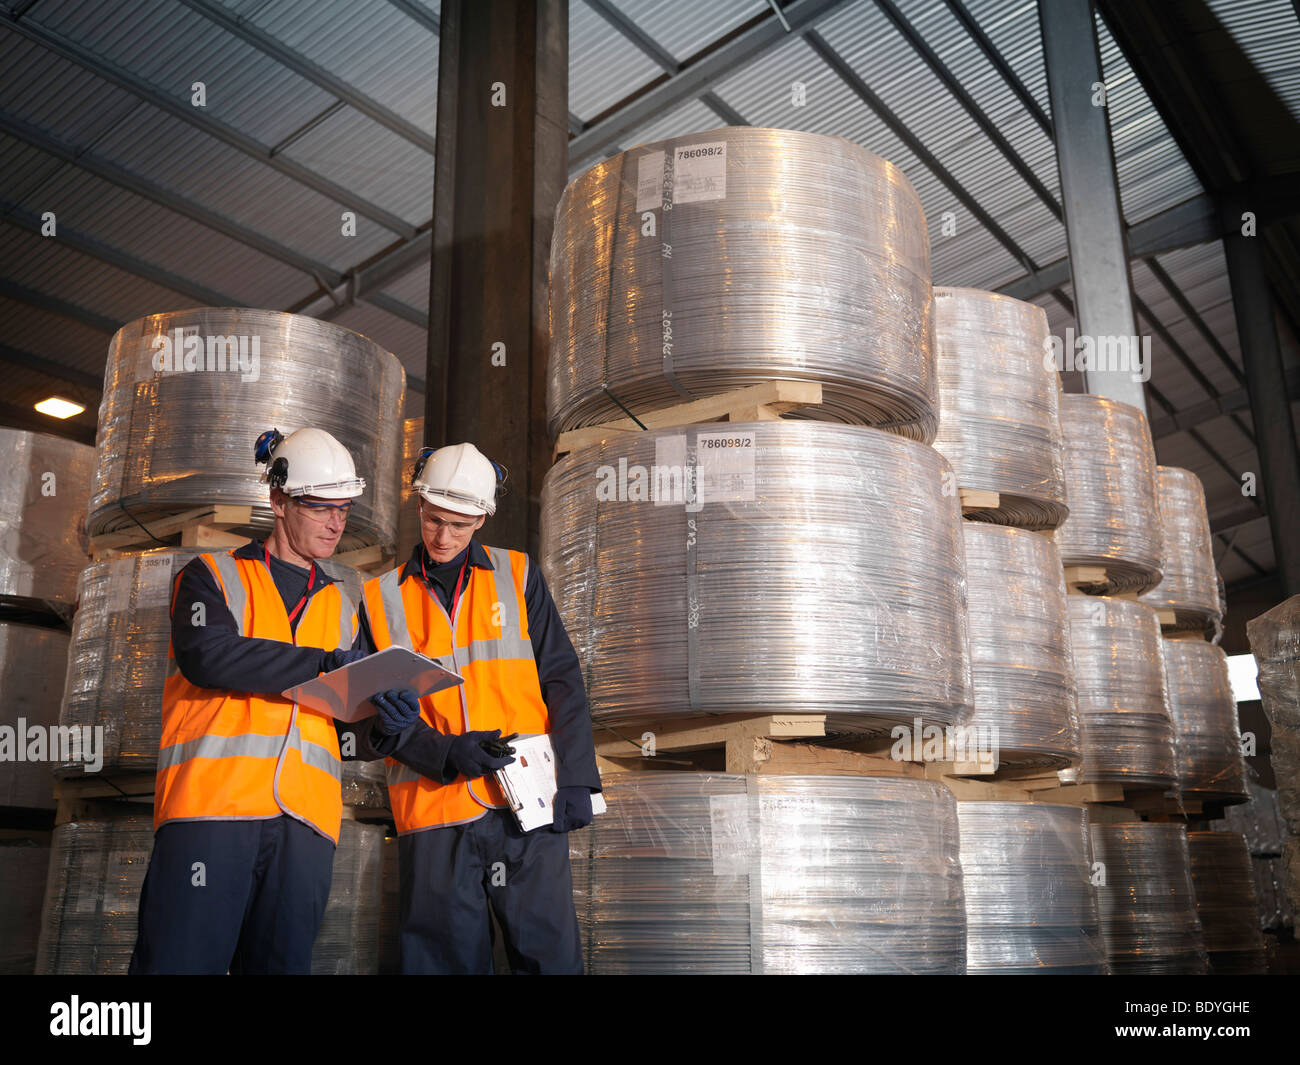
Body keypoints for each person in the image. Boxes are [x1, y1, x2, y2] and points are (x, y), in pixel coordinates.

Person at [129, 427, 421, 975]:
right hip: (212, 811)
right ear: (279, 501)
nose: (337, 523)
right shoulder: (210, 576)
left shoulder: (343, 606)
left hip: (305, 826)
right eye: (320, 508)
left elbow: (342, 728)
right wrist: (324, 664)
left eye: (345, 509)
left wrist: (384, 726)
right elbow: (208, 657)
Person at [353, 442, 601, 974]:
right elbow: (370, 714)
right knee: (443, 964)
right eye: (435, 520)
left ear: (483, 518)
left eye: (460, 525)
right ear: (418, 506)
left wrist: (579, 776)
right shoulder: (378, 600)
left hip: (526, 808)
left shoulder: (518, 576)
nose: (443, 537)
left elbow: (561, 678)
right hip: (433, 811)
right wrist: (444, 752)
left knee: (549, 959)